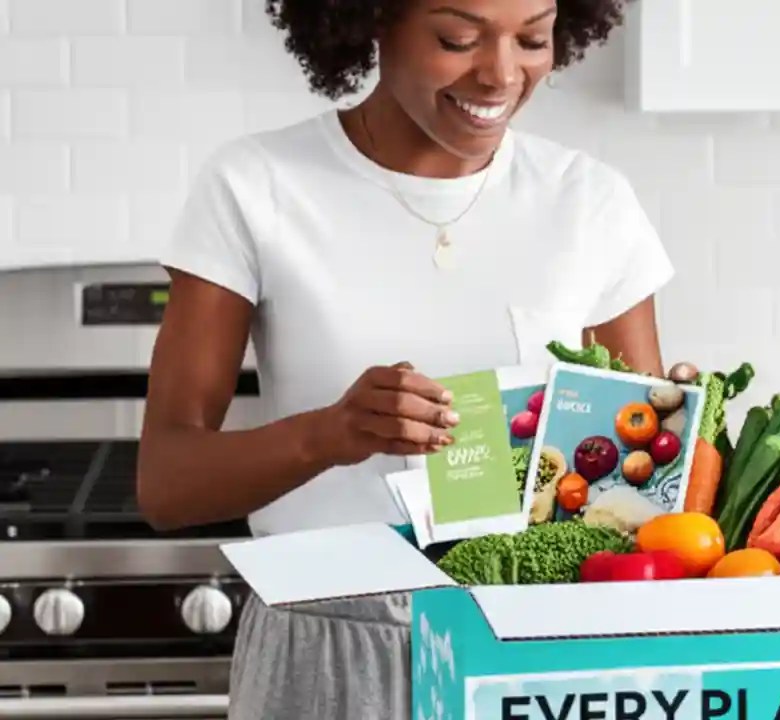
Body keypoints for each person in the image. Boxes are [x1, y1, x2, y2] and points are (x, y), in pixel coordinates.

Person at [136, 0, 671, 716]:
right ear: (371, 20)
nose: (501, 74)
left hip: (538, 657)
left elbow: (651, 484)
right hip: (322, 651)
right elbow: (167, 485)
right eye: (458, 39)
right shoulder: (256, 185)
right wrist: (329, 435)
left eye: (533, 38)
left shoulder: (590, 204)